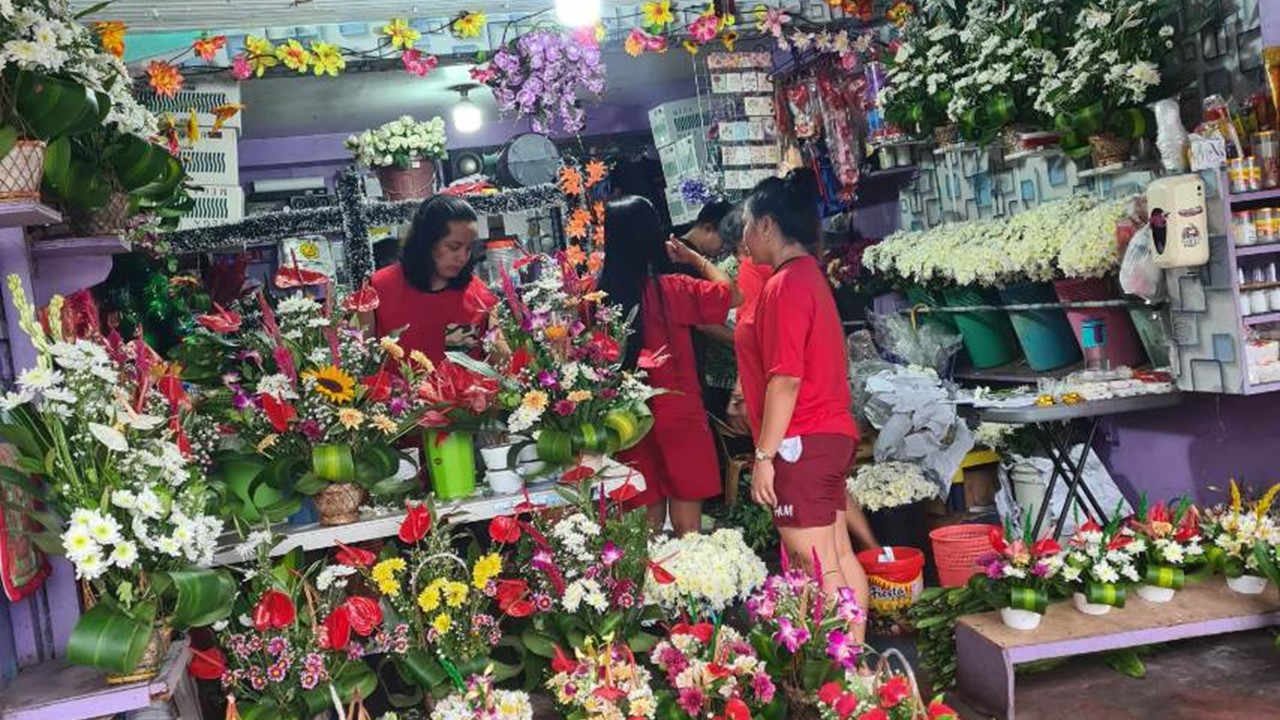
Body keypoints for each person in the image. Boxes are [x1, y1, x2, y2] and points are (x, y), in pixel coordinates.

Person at [733, 169, 873, 640]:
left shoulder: (786, 284)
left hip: (802, 441)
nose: (744, 237)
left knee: (815, 566)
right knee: (836, 557)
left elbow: (786, 380)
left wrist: (764, 456)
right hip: (827, 435)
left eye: (747, 225)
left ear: (767, 224)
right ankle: (854, 664)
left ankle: (842, 668)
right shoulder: (808, 275)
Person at [599, 195, 741, 535]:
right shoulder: (672, 289)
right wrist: (693, 258)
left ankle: (649, 572)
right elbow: (733, 295)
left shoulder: (598, 296)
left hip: (629, 417)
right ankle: (687, 571)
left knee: (644, 528)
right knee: (687, 529)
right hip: (679, 410)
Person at [368, 195, 496, 362]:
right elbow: (362, 359)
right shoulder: (378, 288)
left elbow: (498, 364)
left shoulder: (479, 296)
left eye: (469, 248)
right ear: (426, 242)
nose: (463, 257)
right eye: (454, 247)